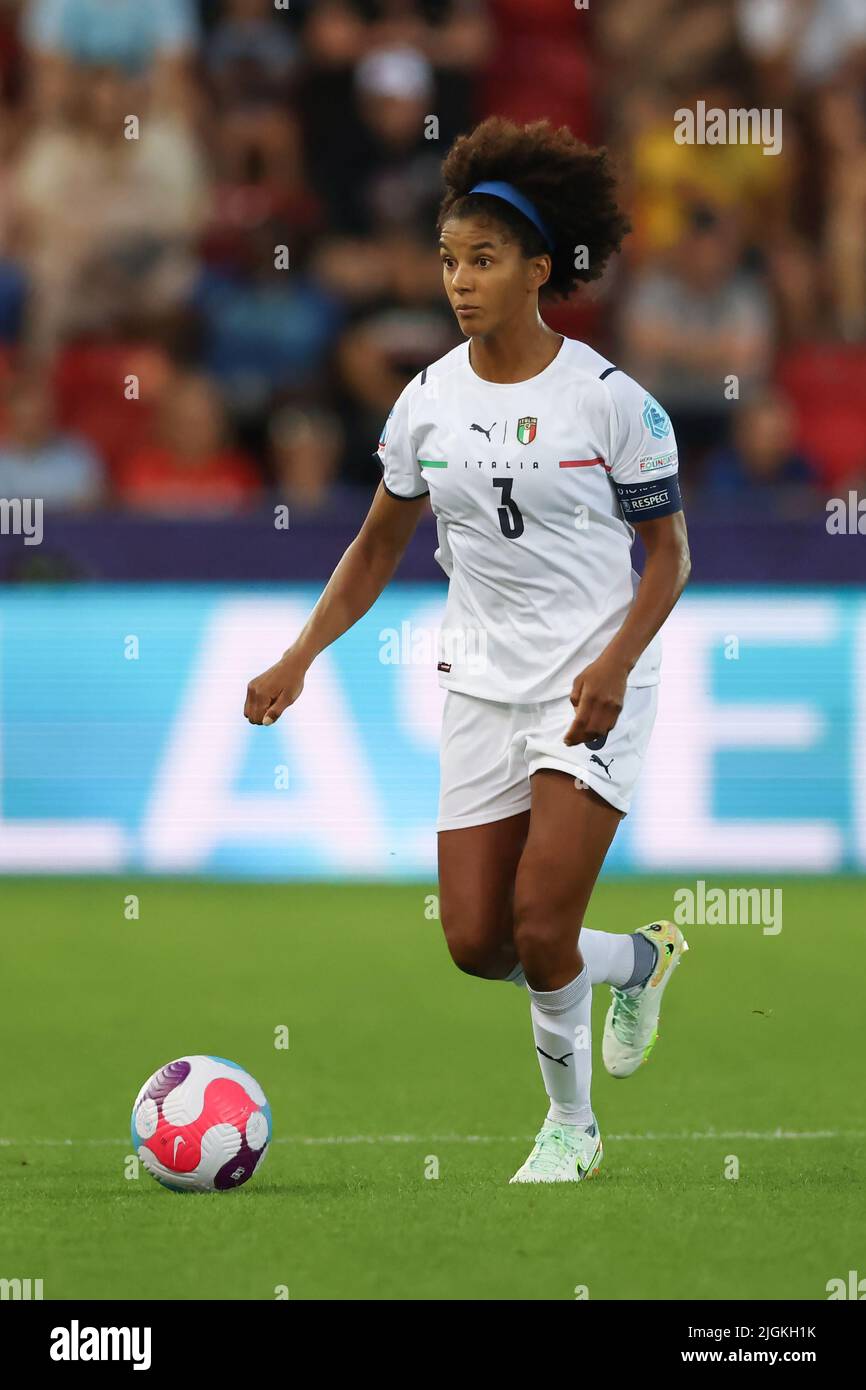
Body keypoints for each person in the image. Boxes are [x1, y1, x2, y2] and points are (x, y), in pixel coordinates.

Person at [244, 117, 692, 1184]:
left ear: (538, 269)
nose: (458, 281)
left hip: (590, 681)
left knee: (541, 926)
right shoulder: (425, 402)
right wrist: (299, 654)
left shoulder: (608, 401)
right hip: (478, 685)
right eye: (447, 260)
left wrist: (614, 665)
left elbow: (667, 558)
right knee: (475, 942)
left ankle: (570, 1127)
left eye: (482, 260)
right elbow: (373, 547)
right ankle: (639, 960)